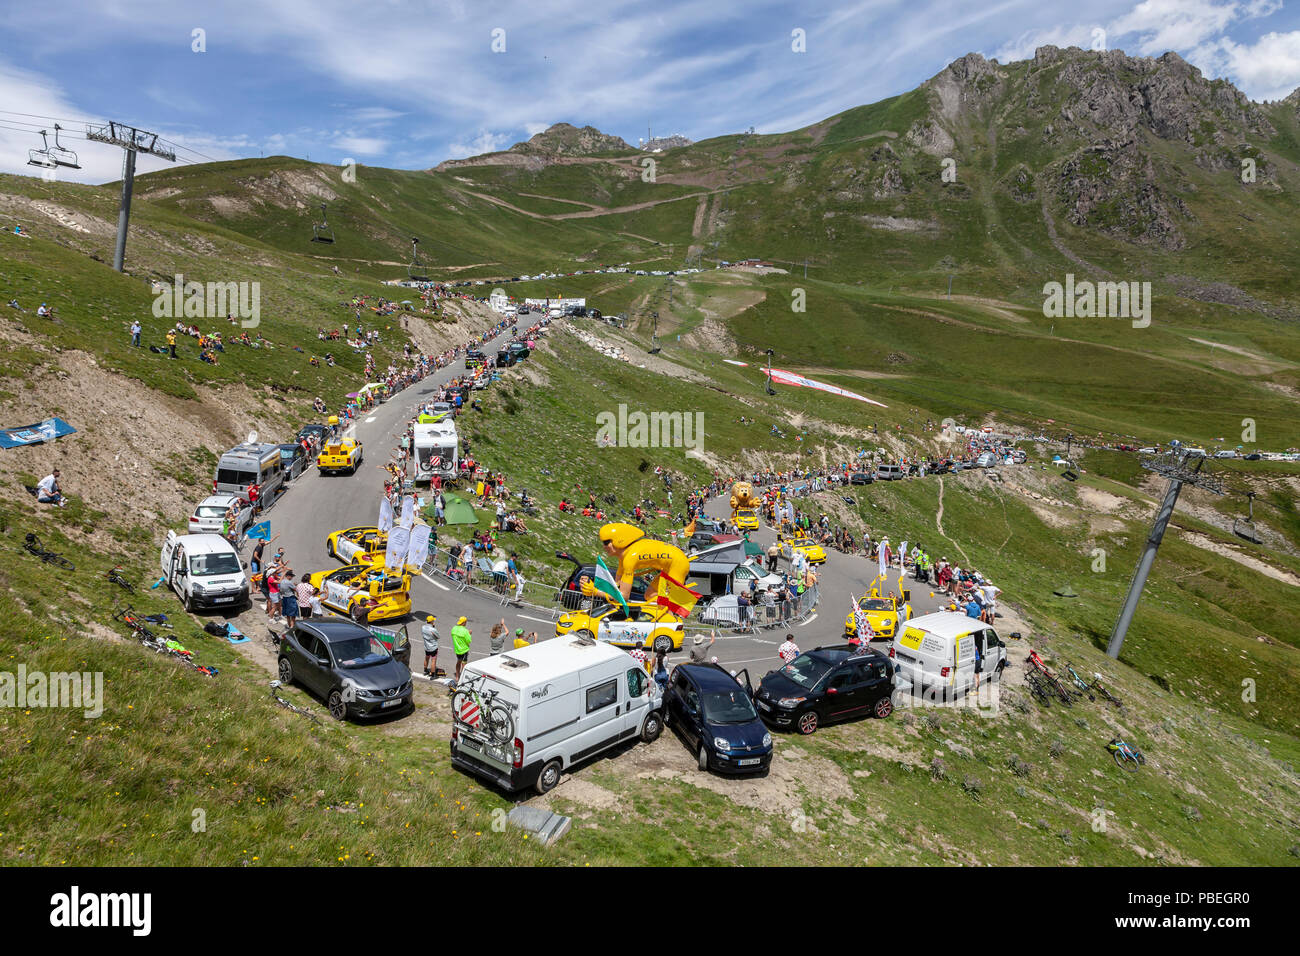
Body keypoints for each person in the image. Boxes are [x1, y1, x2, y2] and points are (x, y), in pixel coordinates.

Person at [451, 616, 473, 685]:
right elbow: (469, 641)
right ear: (464, 622)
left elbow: (453, 635)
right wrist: (469, 634)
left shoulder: (454, 628)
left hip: (457, 649)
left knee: (458, 662)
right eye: (466, 622)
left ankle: (457, 676)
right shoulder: (465, 631)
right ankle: (462, 679)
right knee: (464, 664)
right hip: (464, 650)